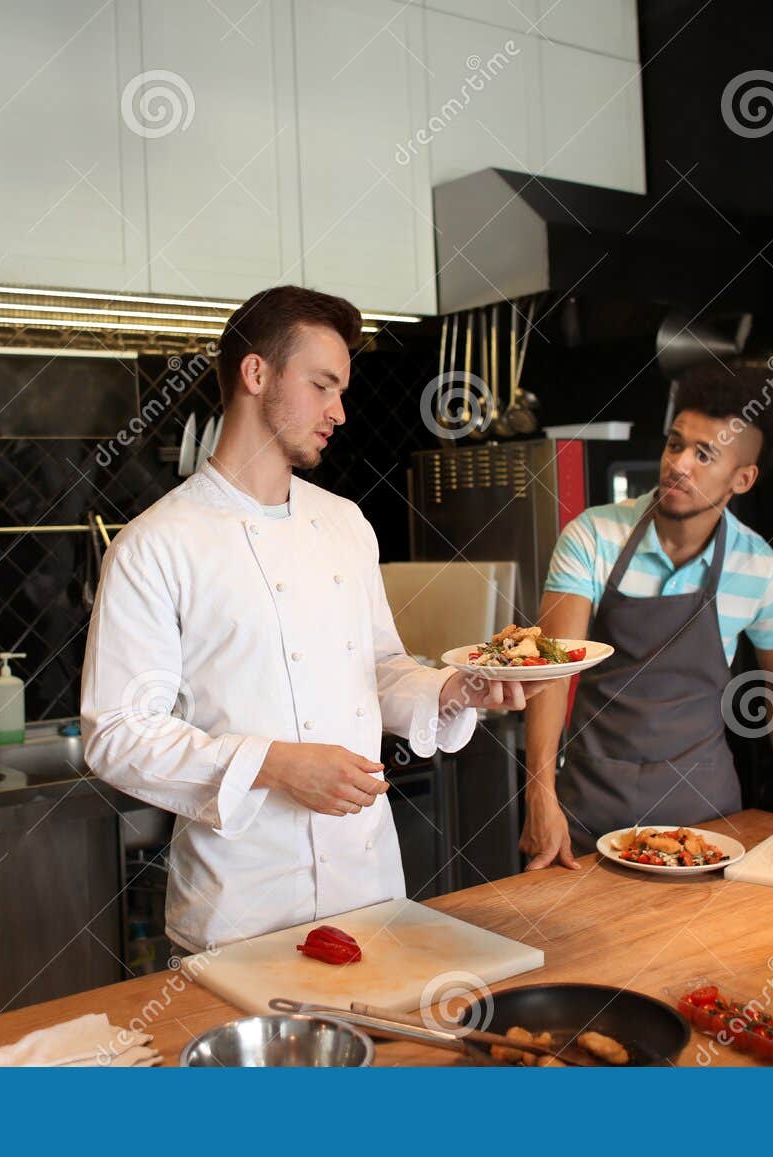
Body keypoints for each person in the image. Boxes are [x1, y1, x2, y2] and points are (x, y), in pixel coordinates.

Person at [82, 285, 554, 952]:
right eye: (322, 386)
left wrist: (453, 688)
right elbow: (119, 735)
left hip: (369, 896)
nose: (339, 412)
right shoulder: (155, 545)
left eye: (341, 390)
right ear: (255, 373)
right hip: (239, 916)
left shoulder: (344, 524)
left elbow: (379, 667)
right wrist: (274, 765)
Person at [520, 367, 773, 867]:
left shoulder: (759, 569)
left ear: (743, 478)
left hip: (705, 818)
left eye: (704, 455)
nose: (679, 465)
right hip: (589, 808)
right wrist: (539, 795)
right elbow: (551, 669)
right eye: (675, 445)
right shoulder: (592, 536)